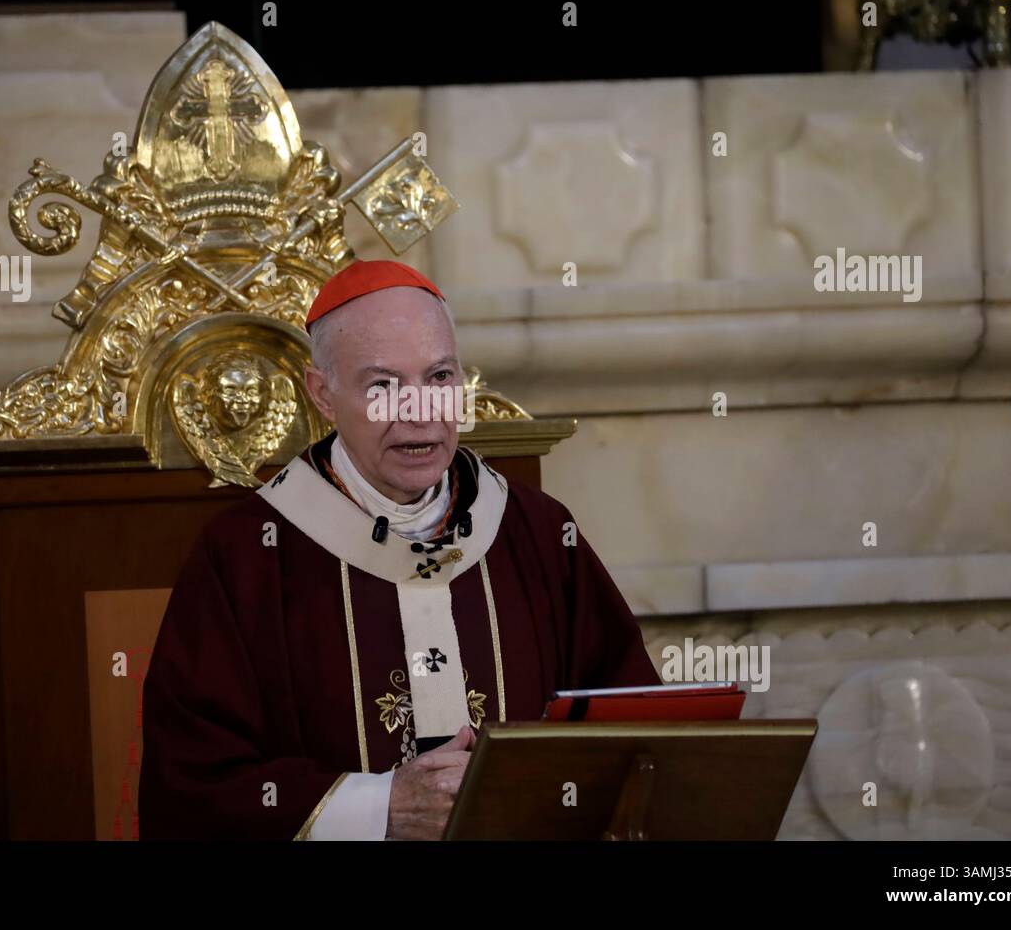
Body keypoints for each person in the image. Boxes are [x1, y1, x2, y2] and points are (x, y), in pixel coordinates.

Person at [139, 259, 660, 840]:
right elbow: (190, 787)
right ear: (324, 395)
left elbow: (633, 730)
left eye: (439, 378)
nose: (419, 413)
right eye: (383, 385)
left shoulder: (537, 534)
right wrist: (378, 807)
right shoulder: (248, 556)